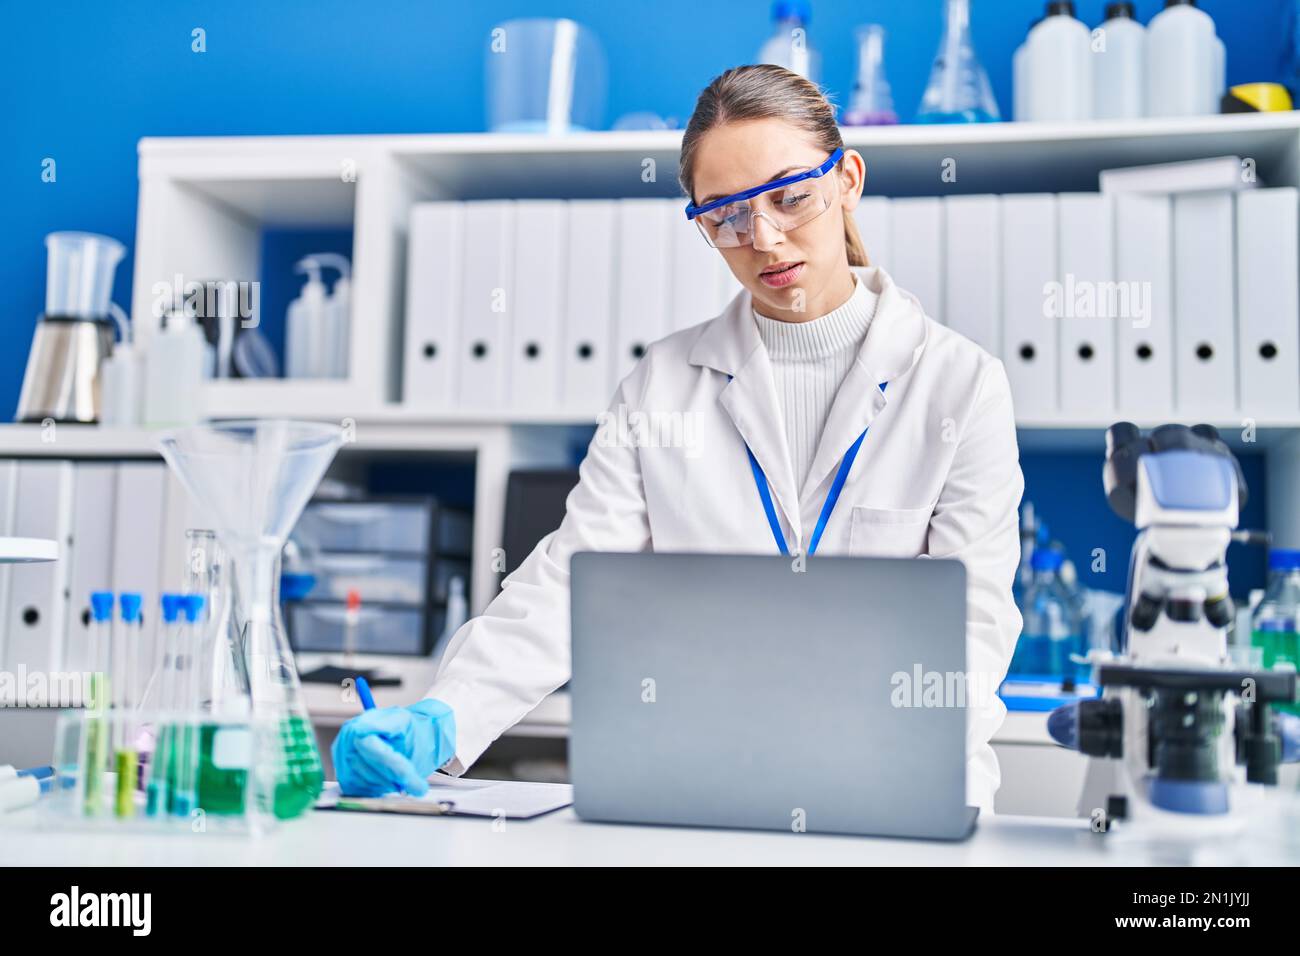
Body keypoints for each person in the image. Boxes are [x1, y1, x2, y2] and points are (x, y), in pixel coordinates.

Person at [332, 64, 1024, 813]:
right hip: (711, 797)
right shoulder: (663, 386)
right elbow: (571, 579)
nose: (764, 238)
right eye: (725, 214)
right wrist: (445, 716)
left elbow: (970, 627)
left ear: (848, 177)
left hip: (903, 793)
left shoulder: (959, 386)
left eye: (791, 196)